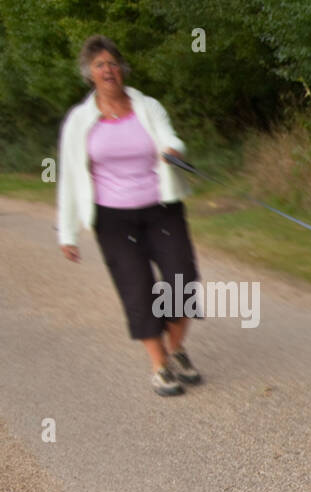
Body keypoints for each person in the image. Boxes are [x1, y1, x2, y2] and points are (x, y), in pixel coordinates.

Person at [57, 35, 203, 396]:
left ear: (122, 69)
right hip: (112, 219)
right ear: (89, 74)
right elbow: (71, 177)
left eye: (112, 63)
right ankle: (159, 366)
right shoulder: (79, 121)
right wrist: (67, 232)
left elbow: (171, 137)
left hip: (162, 210)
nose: (108, 69)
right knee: (137, 290)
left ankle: (177, 349)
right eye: (99, 65)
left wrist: (173, 150)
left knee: (181, 283)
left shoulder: (148, 106)